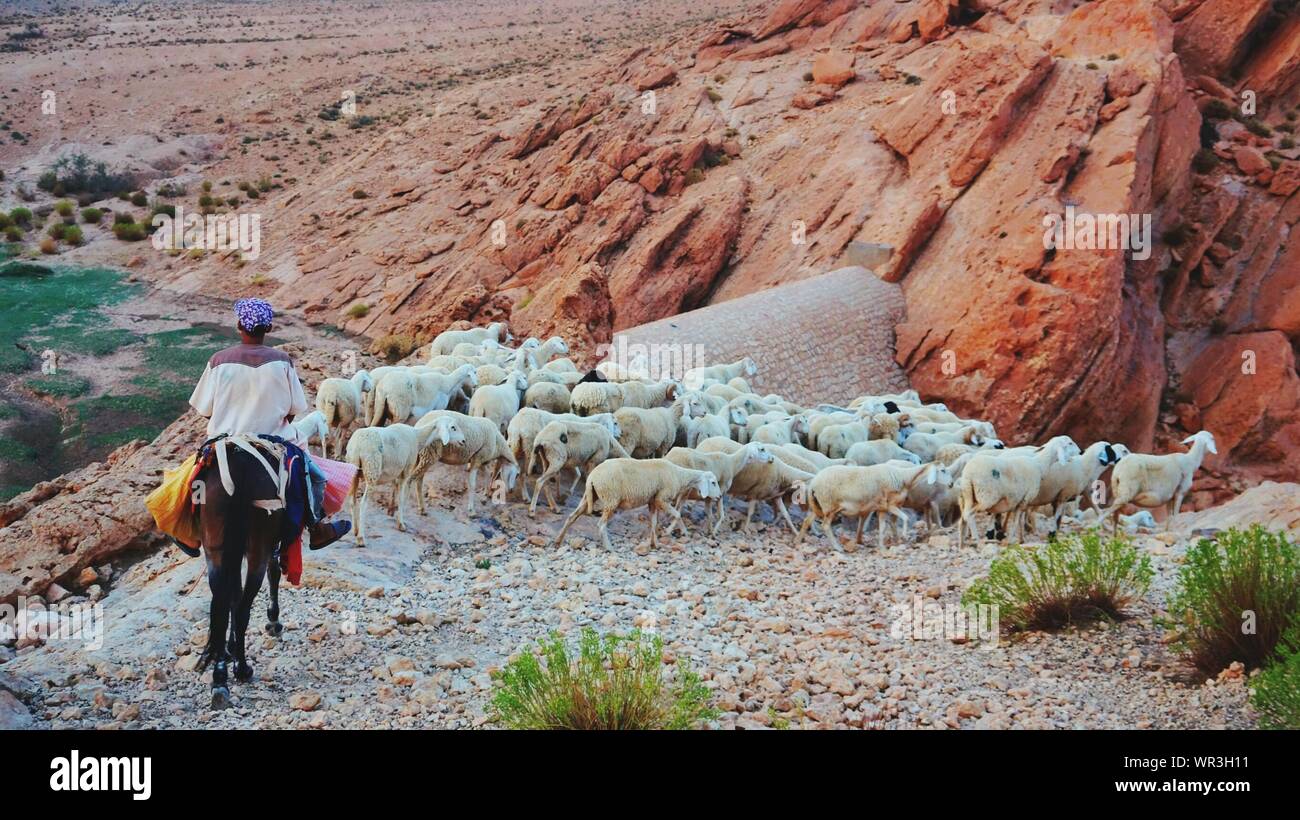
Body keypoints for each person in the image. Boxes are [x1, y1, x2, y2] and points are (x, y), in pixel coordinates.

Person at [189, 298, 350, 549]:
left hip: (226, 439)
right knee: (314, 476)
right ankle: (316, 526)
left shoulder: (218, 360)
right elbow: (294, 410)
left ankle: (189, 529)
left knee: (194, 478)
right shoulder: (283, 361)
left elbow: (204, 410)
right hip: (275, 440)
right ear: (269, 328)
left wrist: (228, 420)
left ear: (239, 326)